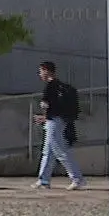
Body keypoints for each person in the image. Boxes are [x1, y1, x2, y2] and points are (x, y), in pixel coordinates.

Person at [33, 61, 85, 190]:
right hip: (57, 121)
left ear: (46, 70)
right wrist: (46, 117)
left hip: (54, 123)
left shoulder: (50, 86)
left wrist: (45, 116)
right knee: (48, 152)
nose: (40, 74)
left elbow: (48, 106)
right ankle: (43, 179)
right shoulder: (60, 87)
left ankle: (77, 178)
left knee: (61, 151)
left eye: (41, 71)